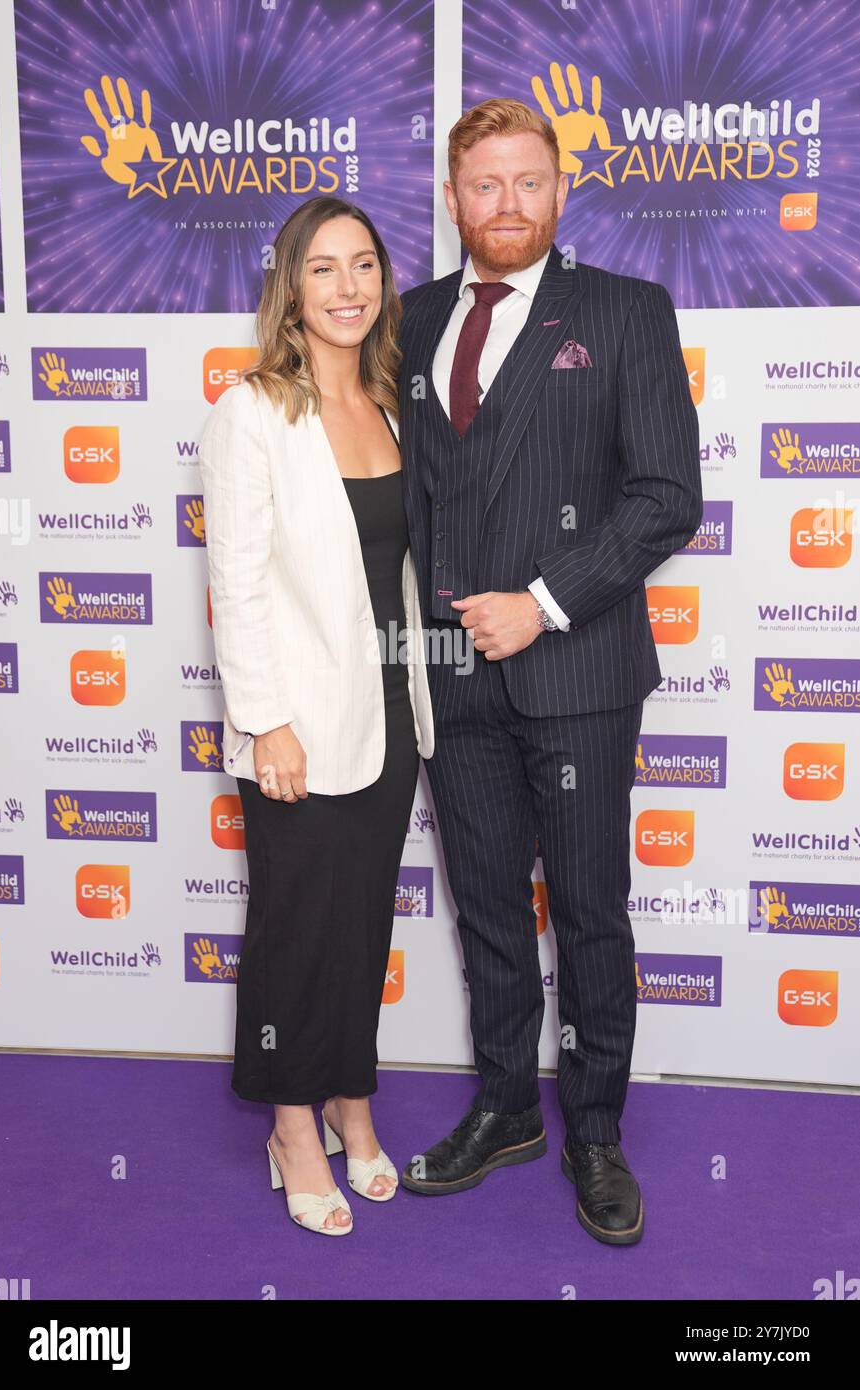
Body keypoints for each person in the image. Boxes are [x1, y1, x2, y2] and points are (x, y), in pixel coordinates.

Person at [397, 98, 702, 1244]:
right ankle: (500, 1108)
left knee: (585, 915)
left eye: (528, 182)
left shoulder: (624, 312)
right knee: (483, 912)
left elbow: (667, 496)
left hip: (575, 669)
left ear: (560, 188)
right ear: (453, 197)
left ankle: (592, 1128)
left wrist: (540, 601)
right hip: (452, 683)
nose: (507, 205)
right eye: (485, 185)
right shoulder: (412, 317)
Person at [197, 196, 434, 1236]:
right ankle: (294, 1124)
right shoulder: (252, 411)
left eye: (365, 266)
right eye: (324, 268)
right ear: (291, 287)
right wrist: (265, 719)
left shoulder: (388, 400)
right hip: (293, 719)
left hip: (386, 705)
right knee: (296, 931)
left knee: (360, 922)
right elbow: (236, 582)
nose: (347, 287)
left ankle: (352, 1098)